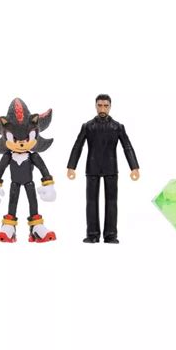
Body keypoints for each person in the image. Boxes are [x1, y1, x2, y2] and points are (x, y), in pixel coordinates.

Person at [67, 94, 140, 243]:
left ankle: (111, 234)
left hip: (111, 168)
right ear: (95, 106)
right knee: (91, 202)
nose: (102, 109)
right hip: (92, 167)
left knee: (112, 202)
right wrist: (71, 167)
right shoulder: (87, 126)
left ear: (110, 107)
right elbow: (78, 146)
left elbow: (127, 146)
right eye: (100, 105)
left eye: (106, 106)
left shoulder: (117, 127)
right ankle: (92, 234)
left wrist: (134, 167)